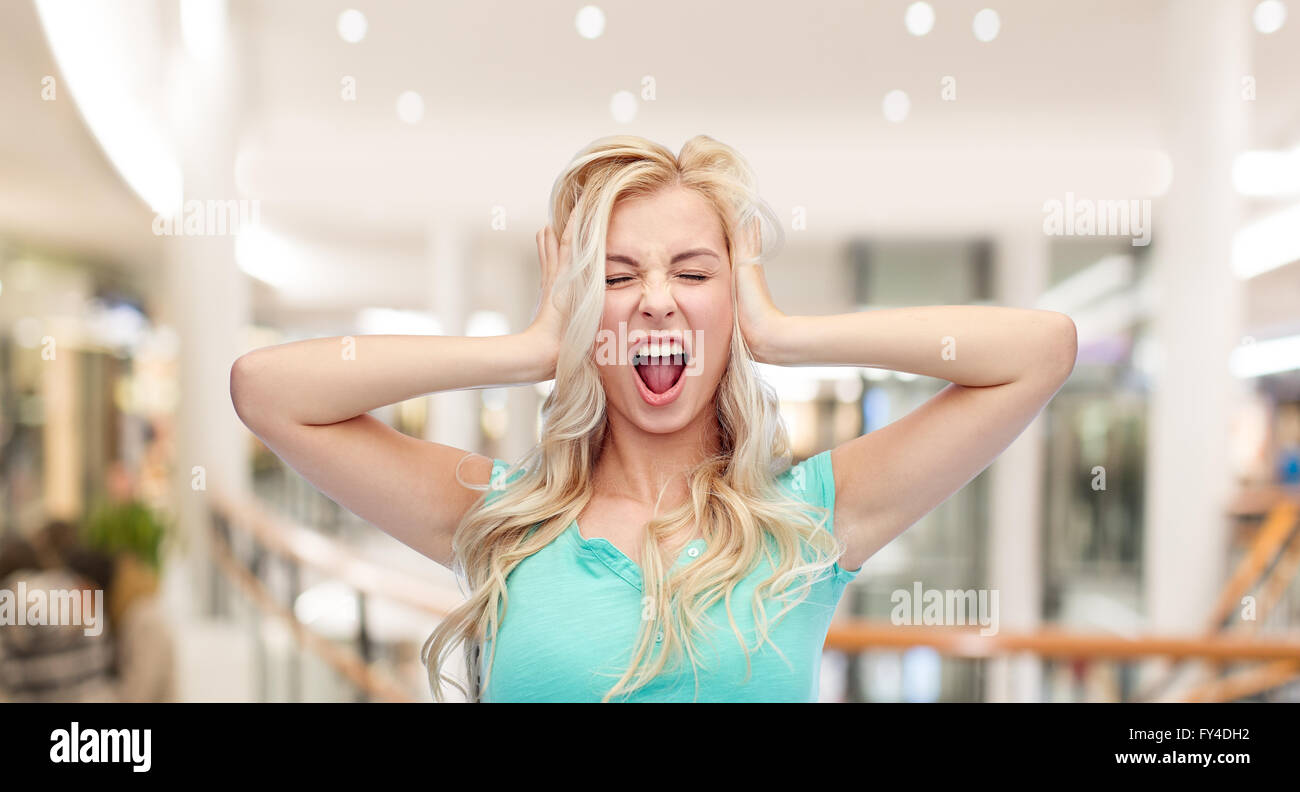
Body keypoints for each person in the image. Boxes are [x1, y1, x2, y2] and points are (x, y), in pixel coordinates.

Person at [230, 134, 1077, 702]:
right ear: (583, 306)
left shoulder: (813, 516)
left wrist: (784, 334)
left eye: (695, 273)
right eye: (620, 274)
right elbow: (267, 391)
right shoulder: (504, 518)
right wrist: (526, 350)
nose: (658, 301)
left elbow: (1039, 350)